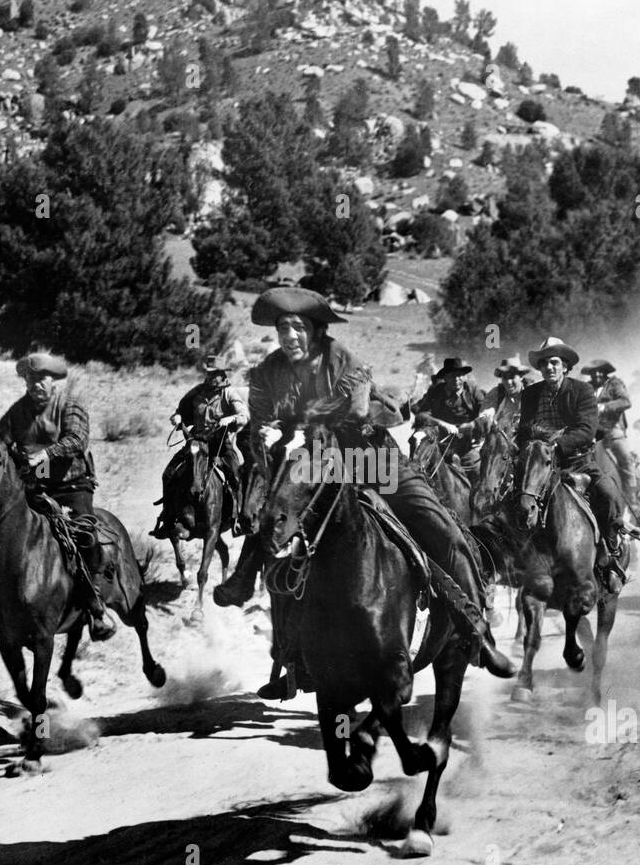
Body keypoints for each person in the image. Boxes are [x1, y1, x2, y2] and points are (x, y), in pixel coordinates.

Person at [211, 287, 514, 697]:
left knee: (443, 529)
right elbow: (258, 426)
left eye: (299, 328)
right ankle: (279, 635)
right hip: (312, 469)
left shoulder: (342, 361)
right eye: (284, 328)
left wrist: (296, 423)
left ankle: (477, 630)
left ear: (316, 331)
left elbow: (353, 413)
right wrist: (266, 444)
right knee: (274, 521)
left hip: (374, 464)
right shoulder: (268, 373)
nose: (291, 336)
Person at [0, 352, 116, 641]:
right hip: (35, 487)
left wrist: (46, 454)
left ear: (54, 381)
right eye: (30, 379)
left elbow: (78, 440)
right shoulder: (17, 411)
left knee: (85, 534)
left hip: (72, 484)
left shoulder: (70, 406)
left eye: (42, 379)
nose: (36, 385)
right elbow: (0, 441)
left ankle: (95, 607)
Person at [515, 337, 628, 592]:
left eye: (554, 363)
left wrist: (557, 443)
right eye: (544, 364)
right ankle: (511, 559)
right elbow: (523, 431)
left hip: (577, 462)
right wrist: (532, 446)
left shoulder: (582, 391)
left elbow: (586, 430)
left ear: (565, 366)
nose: (549, 368)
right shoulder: (530, 394)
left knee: (609, 495)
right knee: (514, 497)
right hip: (540, 465)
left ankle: (609, 558)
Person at [152, 355, 248, 536]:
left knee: (235, 475)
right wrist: (178, 417)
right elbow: (181, 410)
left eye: (215, 374)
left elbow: (244, 415)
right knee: (169, 474)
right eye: (209, 373)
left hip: (220, 444)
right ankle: (168, 516)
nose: (211, 377)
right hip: (196, 442)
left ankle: (236, 519)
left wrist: (231, 418)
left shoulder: (229, 394)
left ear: (222, 375)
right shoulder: (196, 392)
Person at [410, 357, 486, 481]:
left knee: (478, 471)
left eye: (460, 375)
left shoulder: (473, 391)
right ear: (445, 377)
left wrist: (472, 425)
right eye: (452, 376)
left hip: (468, 446)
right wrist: (442, 424)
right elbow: (422, 415)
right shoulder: (436, 392)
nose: (457, 379)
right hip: (441, 445)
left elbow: (485, 414)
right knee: (425, 471)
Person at [581, 358, 639, 509]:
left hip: (613, 431)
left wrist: (605, 407)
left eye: (601, 371)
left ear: (606, 372)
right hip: (592, 432)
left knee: (625, 458)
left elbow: (626, 401)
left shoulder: (615, 384)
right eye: (594, 372)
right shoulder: (587, 387)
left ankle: (631, 496)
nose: (597, 375)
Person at [478, 355, 531, 439]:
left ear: (521, 376)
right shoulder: (497, 393)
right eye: (505, 378)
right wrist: (488, 419)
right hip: (501, 440)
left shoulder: (533, 392)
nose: (508, 382)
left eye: (512, 377)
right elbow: (485, 414)